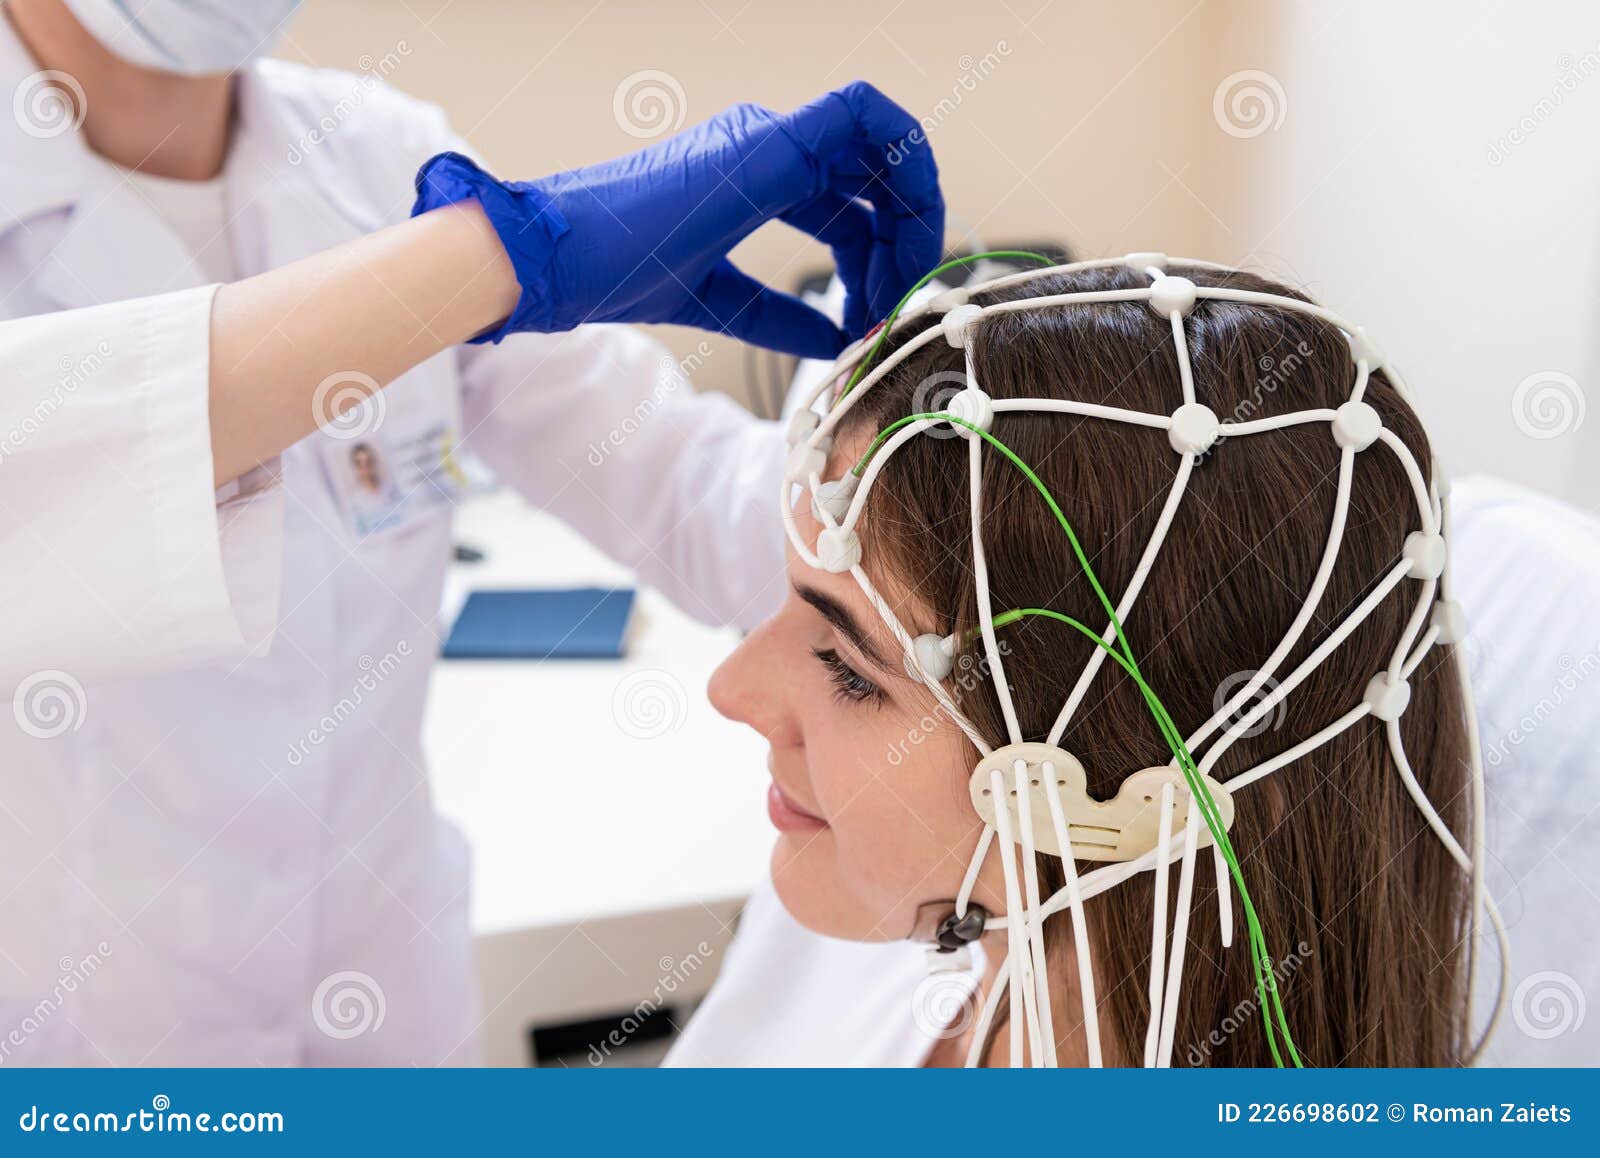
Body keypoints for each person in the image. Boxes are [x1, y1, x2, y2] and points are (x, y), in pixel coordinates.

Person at [0, 0, 942, 1064]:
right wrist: (497, 255)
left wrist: (956, 437)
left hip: (378, 1001)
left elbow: (692, 496)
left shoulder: (375, 157)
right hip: (75, 1038)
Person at [696, 259, 1499, 1066]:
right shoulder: (877, 897)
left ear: (1146, 811)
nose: (729, 690)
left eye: (849, 671)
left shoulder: (876, 866)